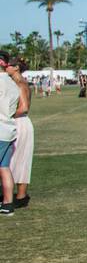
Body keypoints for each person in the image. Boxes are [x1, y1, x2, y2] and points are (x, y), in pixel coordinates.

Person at [3, 57, 33, 208]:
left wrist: (7, 115)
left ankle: (19, 196)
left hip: (19, 122)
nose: (5, 68)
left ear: (16, 68)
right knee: (20, 159)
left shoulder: (19, 84)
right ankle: (20, 196)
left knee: (16, 159)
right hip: (23, 122)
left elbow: (24, 107)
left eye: (7, 66)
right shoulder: (21, 82)